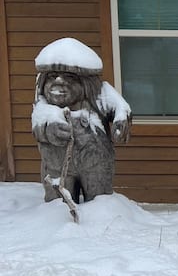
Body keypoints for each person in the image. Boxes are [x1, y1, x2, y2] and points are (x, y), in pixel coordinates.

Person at [32, 38, 132, 204]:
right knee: (58, 205)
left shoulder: (100, 94)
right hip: (57, 166)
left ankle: (100, 224)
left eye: (69, 77)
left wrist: (121, 120)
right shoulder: (43, 106)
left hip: (96, 164)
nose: (59, 82)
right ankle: (62, 226)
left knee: (100, 202)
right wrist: (49, 129)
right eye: (52, 76)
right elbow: (38, 125)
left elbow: (121, 108)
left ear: (86, 82)